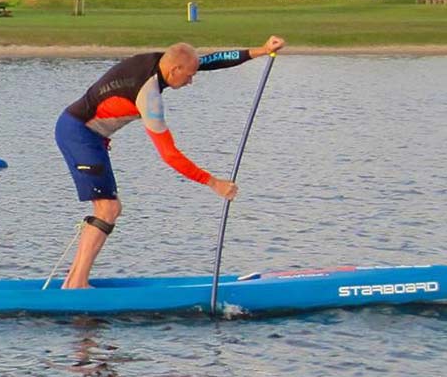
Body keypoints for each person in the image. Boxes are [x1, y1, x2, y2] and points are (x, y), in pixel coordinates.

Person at [54, 36, 286, 289]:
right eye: (188, 76)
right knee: (108, 209)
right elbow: (169, 155)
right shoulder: (149, 96)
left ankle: (74, 281)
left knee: (109, 209)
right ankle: (76, 284)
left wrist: (262, 50)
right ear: (174, 69)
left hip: (88, 136)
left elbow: (212, 61)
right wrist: (212, 182)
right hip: (78, 134)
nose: (191, 81)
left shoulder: (163, 61)